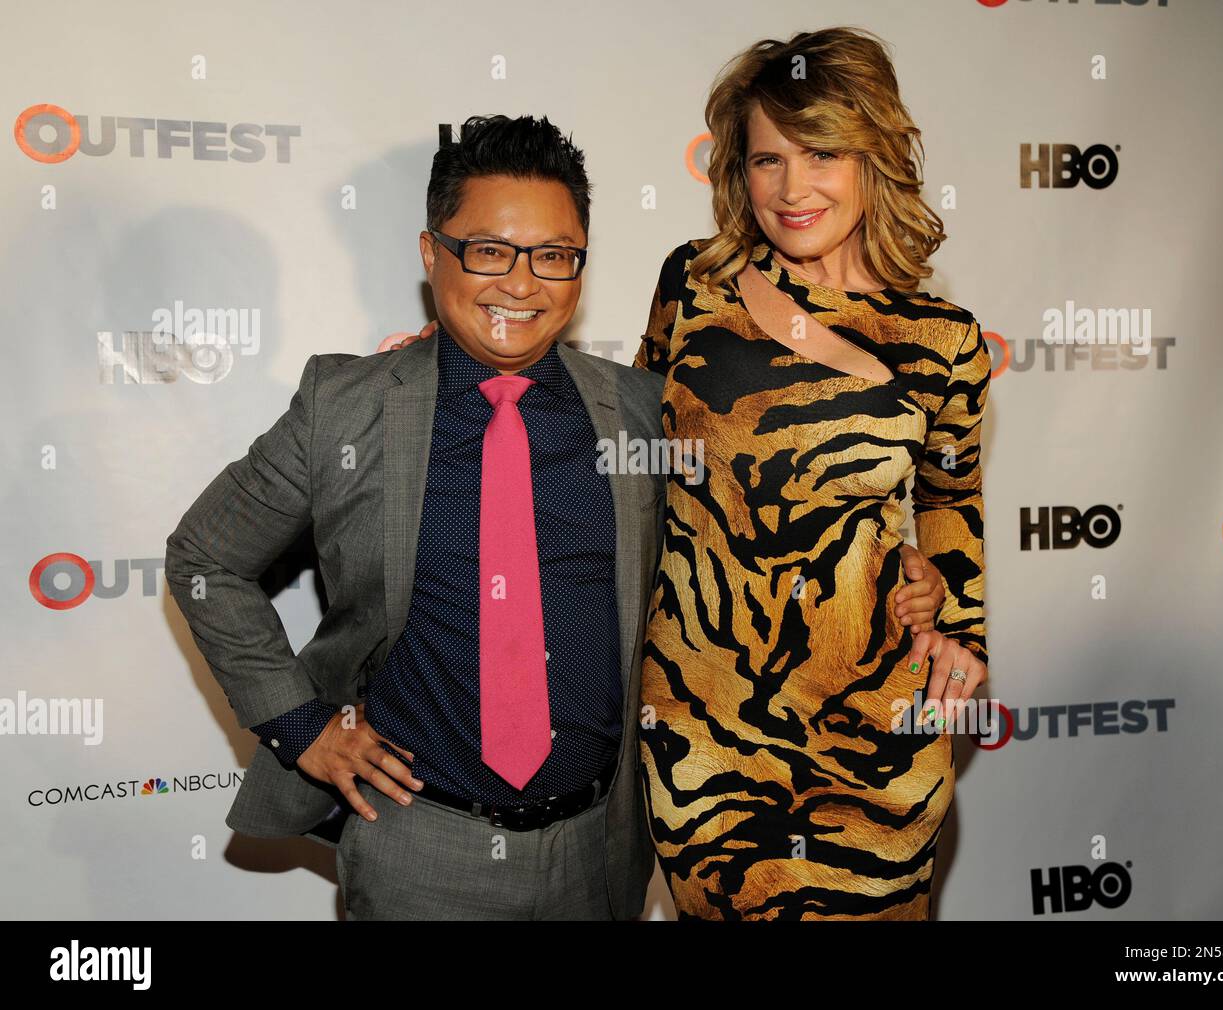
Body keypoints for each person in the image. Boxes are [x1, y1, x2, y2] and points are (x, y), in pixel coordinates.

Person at [165, 115, 671, 920]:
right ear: (432, 252)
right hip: (418, 852)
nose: (521, 282)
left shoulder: (641, 411)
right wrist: (303, 727)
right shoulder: (349, 408)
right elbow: (205, 558)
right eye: (489, 250)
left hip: (597, 851)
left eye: (553, 255)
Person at [632, 26, 991, 920]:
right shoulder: (694, 288)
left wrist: (958, 623)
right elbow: (622, 435)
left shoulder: (945, 339)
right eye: (766, 160)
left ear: (875, 153)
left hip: (874, 731)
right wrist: (470, 370)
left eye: (821, 153)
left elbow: (952, 497)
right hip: (703, 725)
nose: (792, 190)